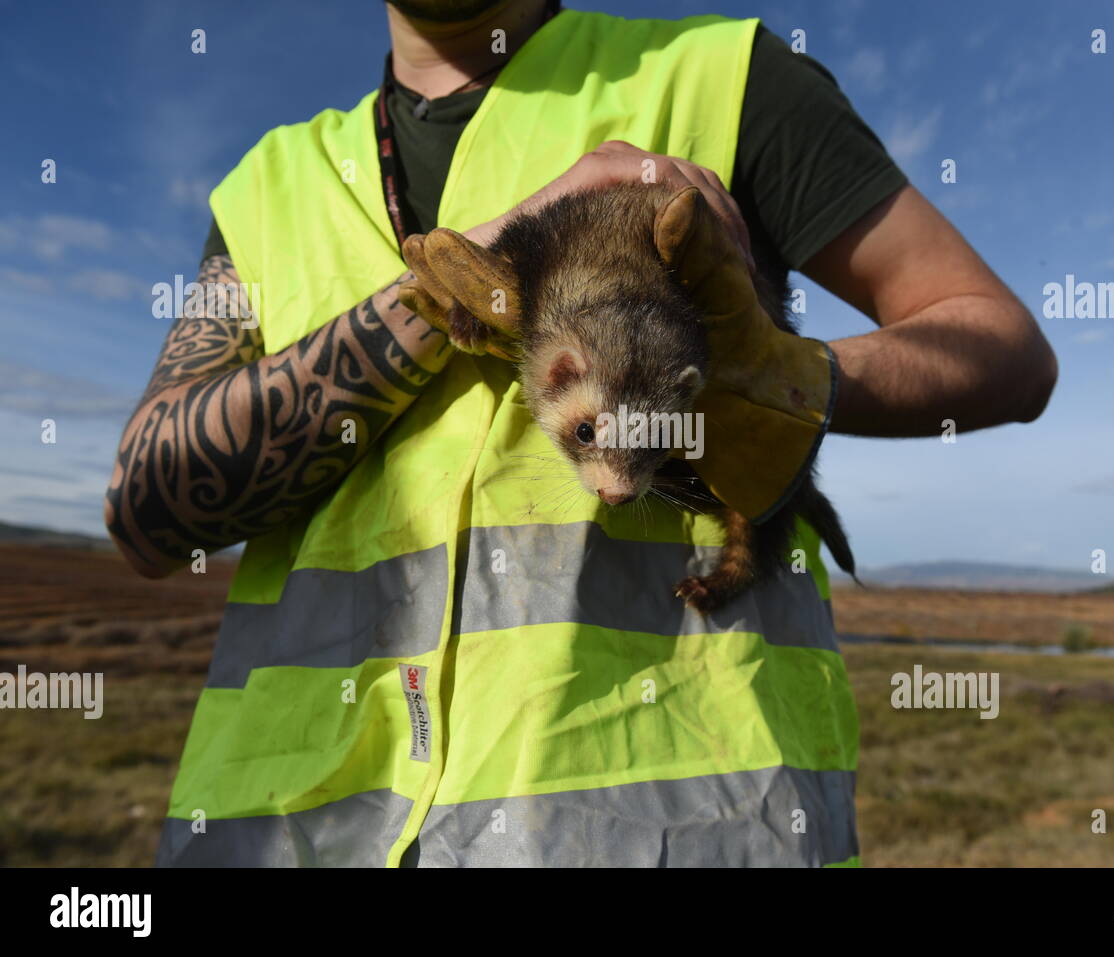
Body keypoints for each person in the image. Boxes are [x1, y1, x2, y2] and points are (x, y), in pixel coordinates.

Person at [105, 0, 1057, 867]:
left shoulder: (721, 78)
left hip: (680, 829)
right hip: (277, 832)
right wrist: (468, 271)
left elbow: (1008, 347)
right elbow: (146, 512)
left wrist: (795, 381)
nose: (610, 481)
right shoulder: (268, 188)